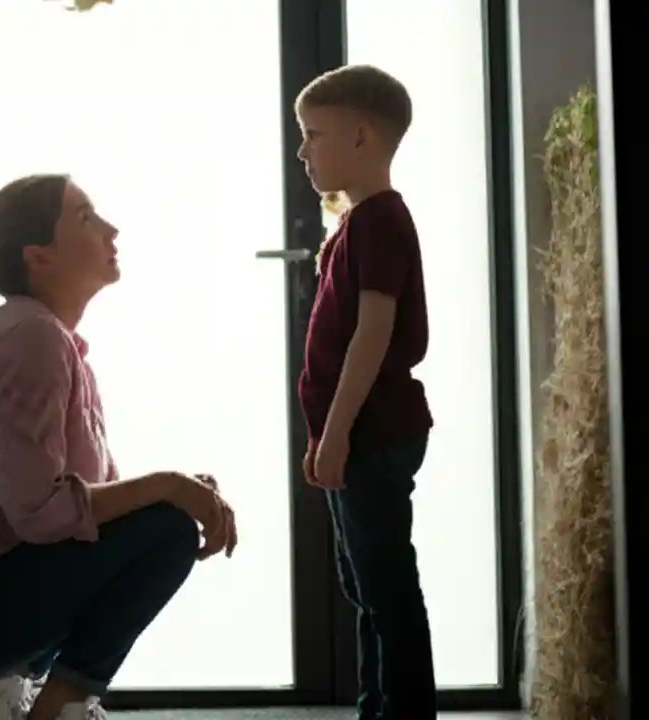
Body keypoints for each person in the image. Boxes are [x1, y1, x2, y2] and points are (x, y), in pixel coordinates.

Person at [0, 173, 238, 720]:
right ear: (38, 257)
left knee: (161, 517)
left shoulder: (50, 340)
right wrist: (168, 489)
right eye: (86, 218)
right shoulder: (31, 339)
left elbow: (90, 508)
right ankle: (52, 707)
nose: (111, 229)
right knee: (169, 529)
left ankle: (6, 687)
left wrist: (177, 489)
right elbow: (40, 514)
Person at [294, 64, 436, 720]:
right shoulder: (357, 225)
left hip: (374, 433)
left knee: (385, 589)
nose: (302, 151)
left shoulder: (381, 222)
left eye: (313, 134)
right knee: (367, 586)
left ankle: (400, 712)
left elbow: (373, 334)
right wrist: (325, 435)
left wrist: (340, 431)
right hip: (357, 435)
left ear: (361, 137)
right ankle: (377, 707)